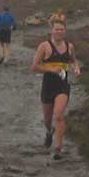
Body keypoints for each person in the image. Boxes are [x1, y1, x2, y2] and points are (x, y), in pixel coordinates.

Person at [30, 13, 79, 159]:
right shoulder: (44, 46)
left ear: (65, 31)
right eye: (56, 29)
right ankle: (49, 131)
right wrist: (52, 69)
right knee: (47, 119)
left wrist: (76, 68)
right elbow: (34, 67)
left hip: (62, 87)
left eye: (61, 30)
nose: (59, 32)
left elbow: (74, 61)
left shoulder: (70, 46)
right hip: (48, 86)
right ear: (52, 30)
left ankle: (58, 149)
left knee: (59, 115)